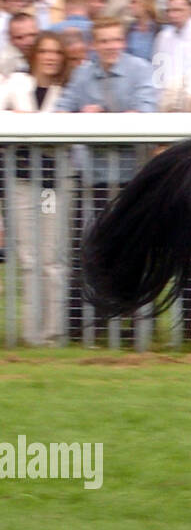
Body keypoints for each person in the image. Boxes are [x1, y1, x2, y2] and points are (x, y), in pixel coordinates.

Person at [0, 31, 72, 344]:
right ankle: (31, 337)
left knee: (52, 261)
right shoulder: (16, 83)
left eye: (56, 51)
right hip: (22, 180)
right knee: (28, 260)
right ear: (35, 55)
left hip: (54, 183)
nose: (50, 56)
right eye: (44, 51)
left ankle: (52, 336)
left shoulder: (67, 90)